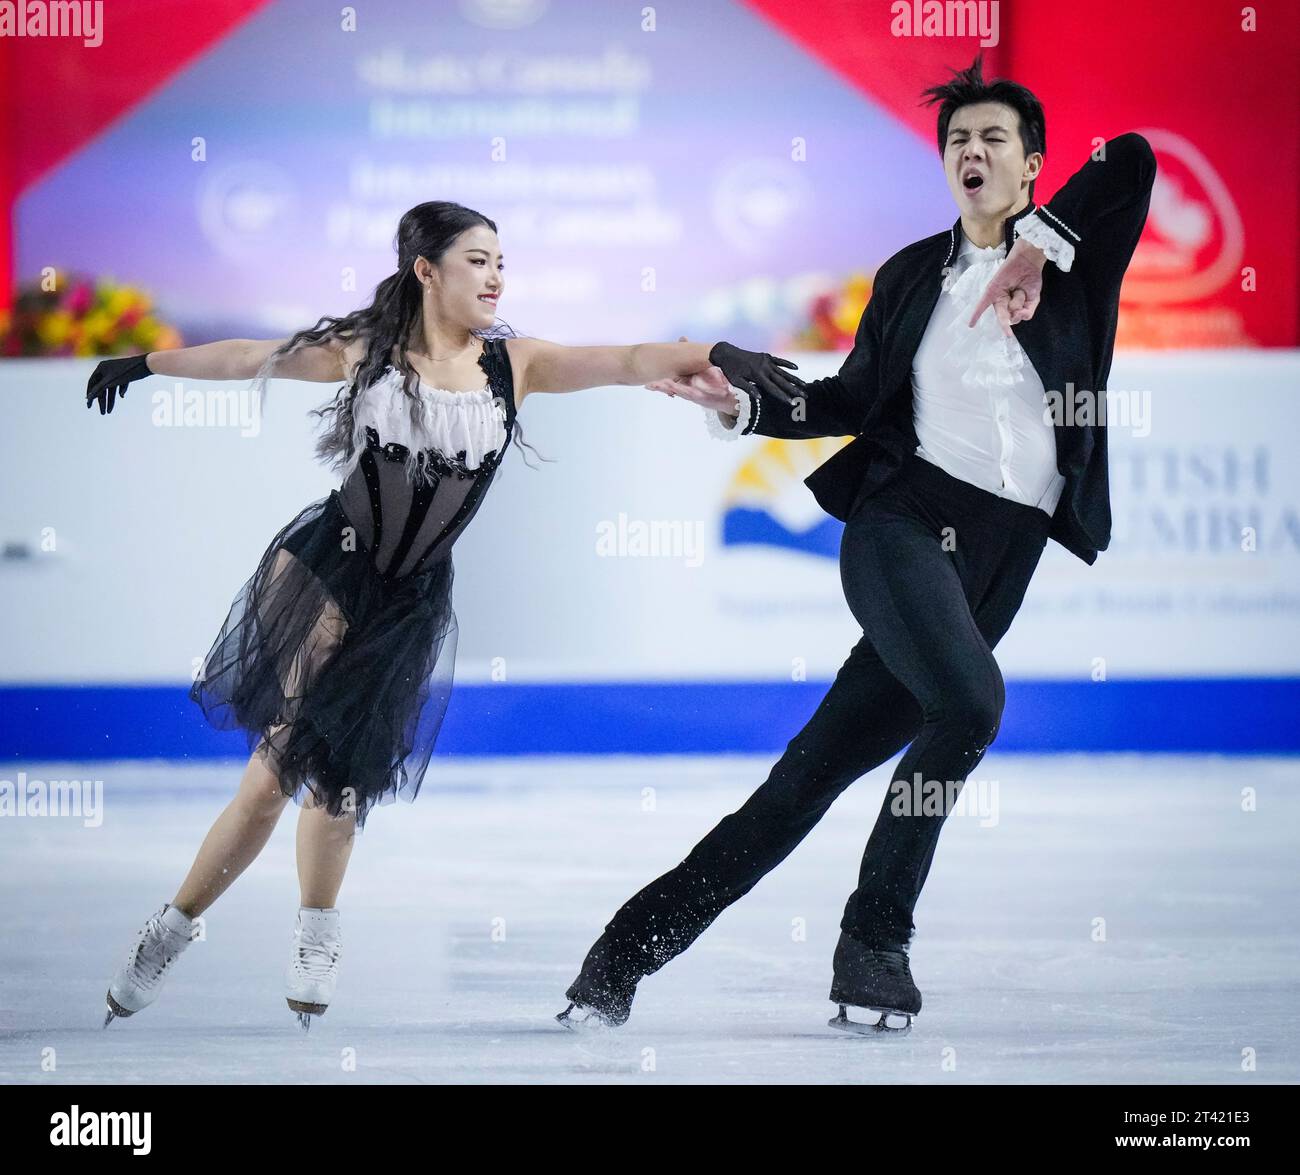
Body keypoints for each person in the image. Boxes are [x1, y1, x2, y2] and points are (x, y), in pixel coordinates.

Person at [88, 200, 804, 1030]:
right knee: (279, 770)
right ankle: (175, 929)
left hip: (412, 596)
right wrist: (145, 362)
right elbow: (252, 356)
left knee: (337, 780)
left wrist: (714, 351)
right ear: (426, 270)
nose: (497, 276)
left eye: (502, 260)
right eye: (477, 259)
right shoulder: (367, 354)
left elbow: (627, 357)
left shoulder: (518, 364)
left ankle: (294, 927)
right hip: (330, 568)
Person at [560, 56, 1156, 1033]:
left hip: (996, 561)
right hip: (899, 527)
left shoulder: (1075, 262)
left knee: (802, 781)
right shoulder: (913, 274)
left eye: (992, 138)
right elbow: (846, 399)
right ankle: (875, 941)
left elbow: (1131, 157)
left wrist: (1036, 249)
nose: (970, 151)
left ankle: (622, 952)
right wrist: (746, 403)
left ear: (1033, 166)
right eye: (958, 140)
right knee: (969, 702)